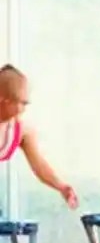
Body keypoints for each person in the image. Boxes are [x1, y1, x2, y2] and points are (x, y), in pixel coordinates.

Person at [0, 65, 79, 211]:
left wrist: (61, 187)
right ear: (4, 99)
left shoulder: (22, 131)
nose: (24, 109)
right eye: (21, 102)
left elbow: (39, 165)